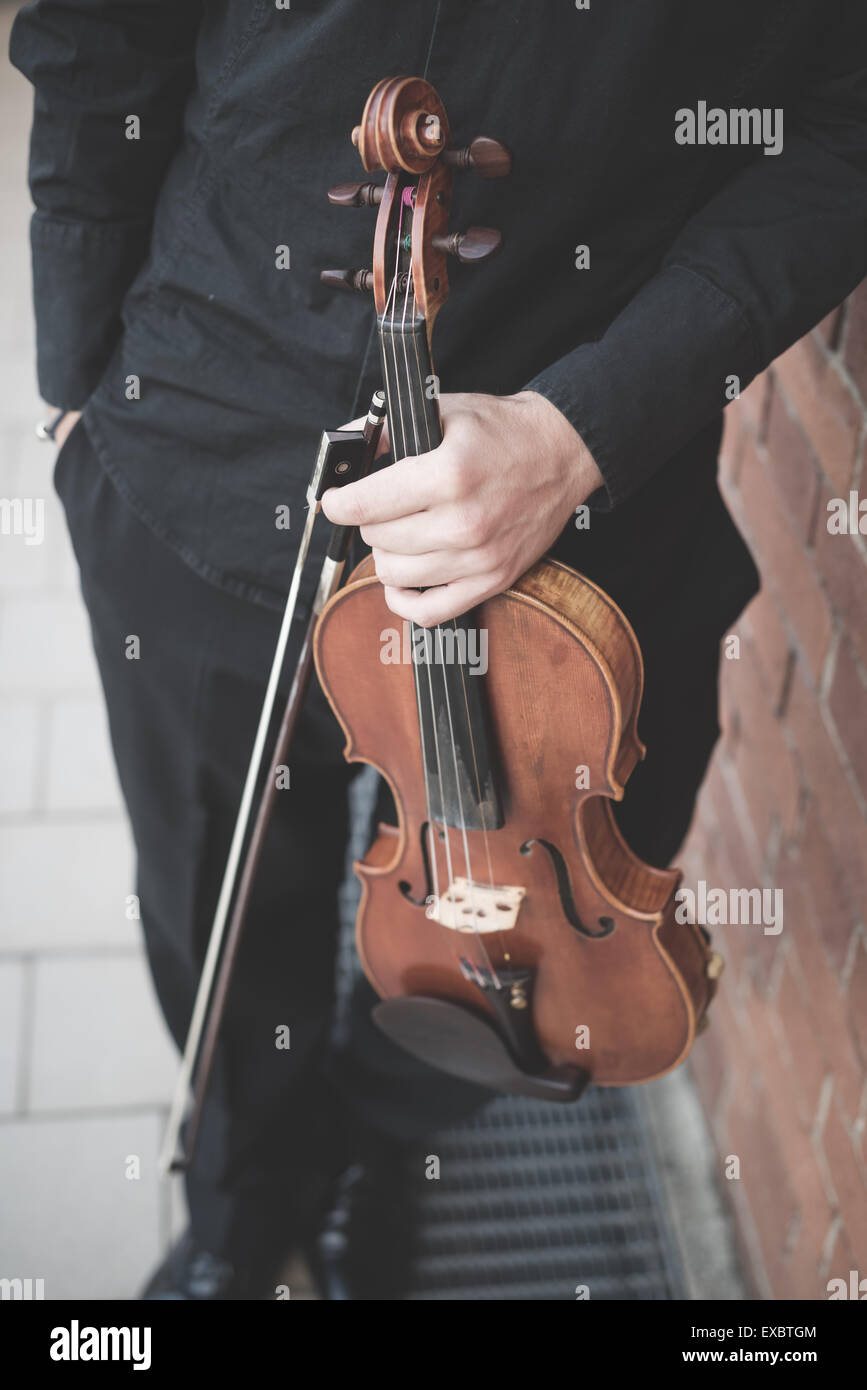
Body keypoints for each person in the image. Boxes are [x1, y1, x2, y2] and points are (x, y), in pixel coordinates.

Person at [10, 1, 867, 1301]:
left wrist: (585, 429)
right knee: (219, 917)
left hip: (596, 522)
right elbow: (100, 33)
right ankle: (246, 1220)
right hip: (210, 441)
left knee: (537, 968)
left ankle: (362, 1149)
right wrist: (76, 372)